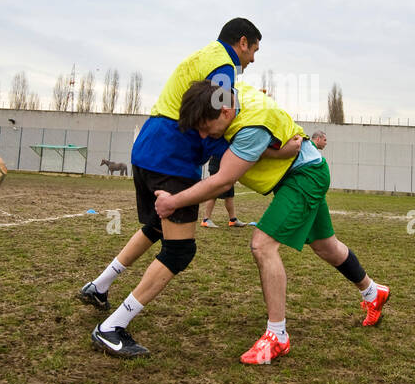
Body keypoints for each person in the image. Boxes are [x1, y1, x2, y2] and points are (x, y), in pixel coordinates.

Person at [156, 80, 390, 364]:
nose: (203, 134)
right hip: (304, 169)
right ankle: (373, 291)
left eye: (205, 126)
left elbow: (223, 180)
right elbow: (259, 117)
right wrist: (276, 151)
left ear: (226, 113)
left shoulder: (250, 127)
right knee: (326, 246)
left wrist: (174, 201)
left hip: (303, 175)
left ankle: (277, 336)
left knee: (262, 245)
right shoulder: (236, 97)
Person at [77, 19, 267, 358]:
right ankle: (112, 327)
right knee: (180, 251)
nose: (252, 59)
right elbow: (221, 116)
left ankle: (99, 286)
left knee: (155, 227)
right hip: (174, 155)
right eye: (253, 50)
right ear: (242, 42)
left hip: (149, 146)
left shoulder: (203, 55)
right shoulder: (224, 67)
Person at [200, 153, 248, 228]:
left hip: (228, 168)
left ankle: (233, 220)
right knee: (214, 194)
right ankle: (206, 220)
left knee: (229, 195)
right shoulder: (219, 142)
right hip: (217, 167)